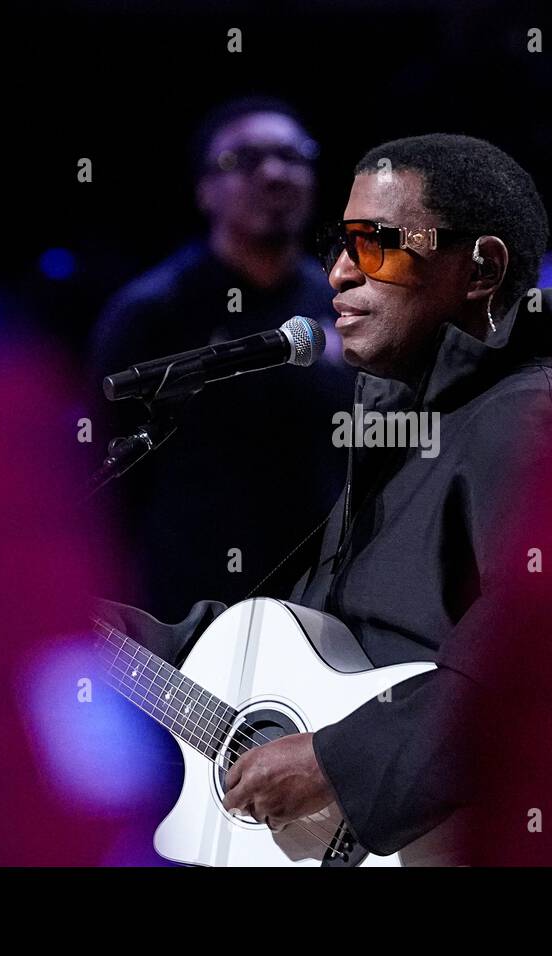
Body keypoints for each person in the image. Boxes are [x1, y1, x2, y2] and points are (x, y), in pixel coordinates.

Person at [115, 133, 552, 857]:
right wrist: (117, 635)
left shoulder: (524, 419)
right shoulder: (406, 415)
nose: (337, 271)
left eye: (375, 246)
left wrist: (336, 764)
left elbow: (543, 650)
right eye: (341, 243)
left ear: (482, 268)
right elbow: (313, 647)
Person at [89, 97, 352, 623]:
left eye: (292, 156)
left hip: (322, 621)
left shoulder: (345, 305)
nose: (274, 174)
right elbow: (100, 474)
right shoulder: (152, 312)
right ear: (204, 190)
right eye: (245, 160)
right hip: (180, 621)